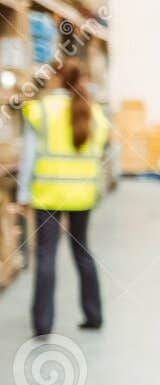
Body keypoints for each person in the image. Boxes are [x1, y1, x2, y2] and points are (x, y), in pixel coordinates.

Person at [19, 58, 110, 338]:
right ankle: (93, 316)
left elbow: (29, 157)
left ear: (56, 79)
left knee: (46, 256)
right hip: (81, 194)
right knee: (82, 252)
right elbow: (103, 148)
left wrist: (23, 192)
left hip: (48, 195)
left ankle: (42, 326)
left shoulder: (41, 110)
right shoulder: (92, 111)